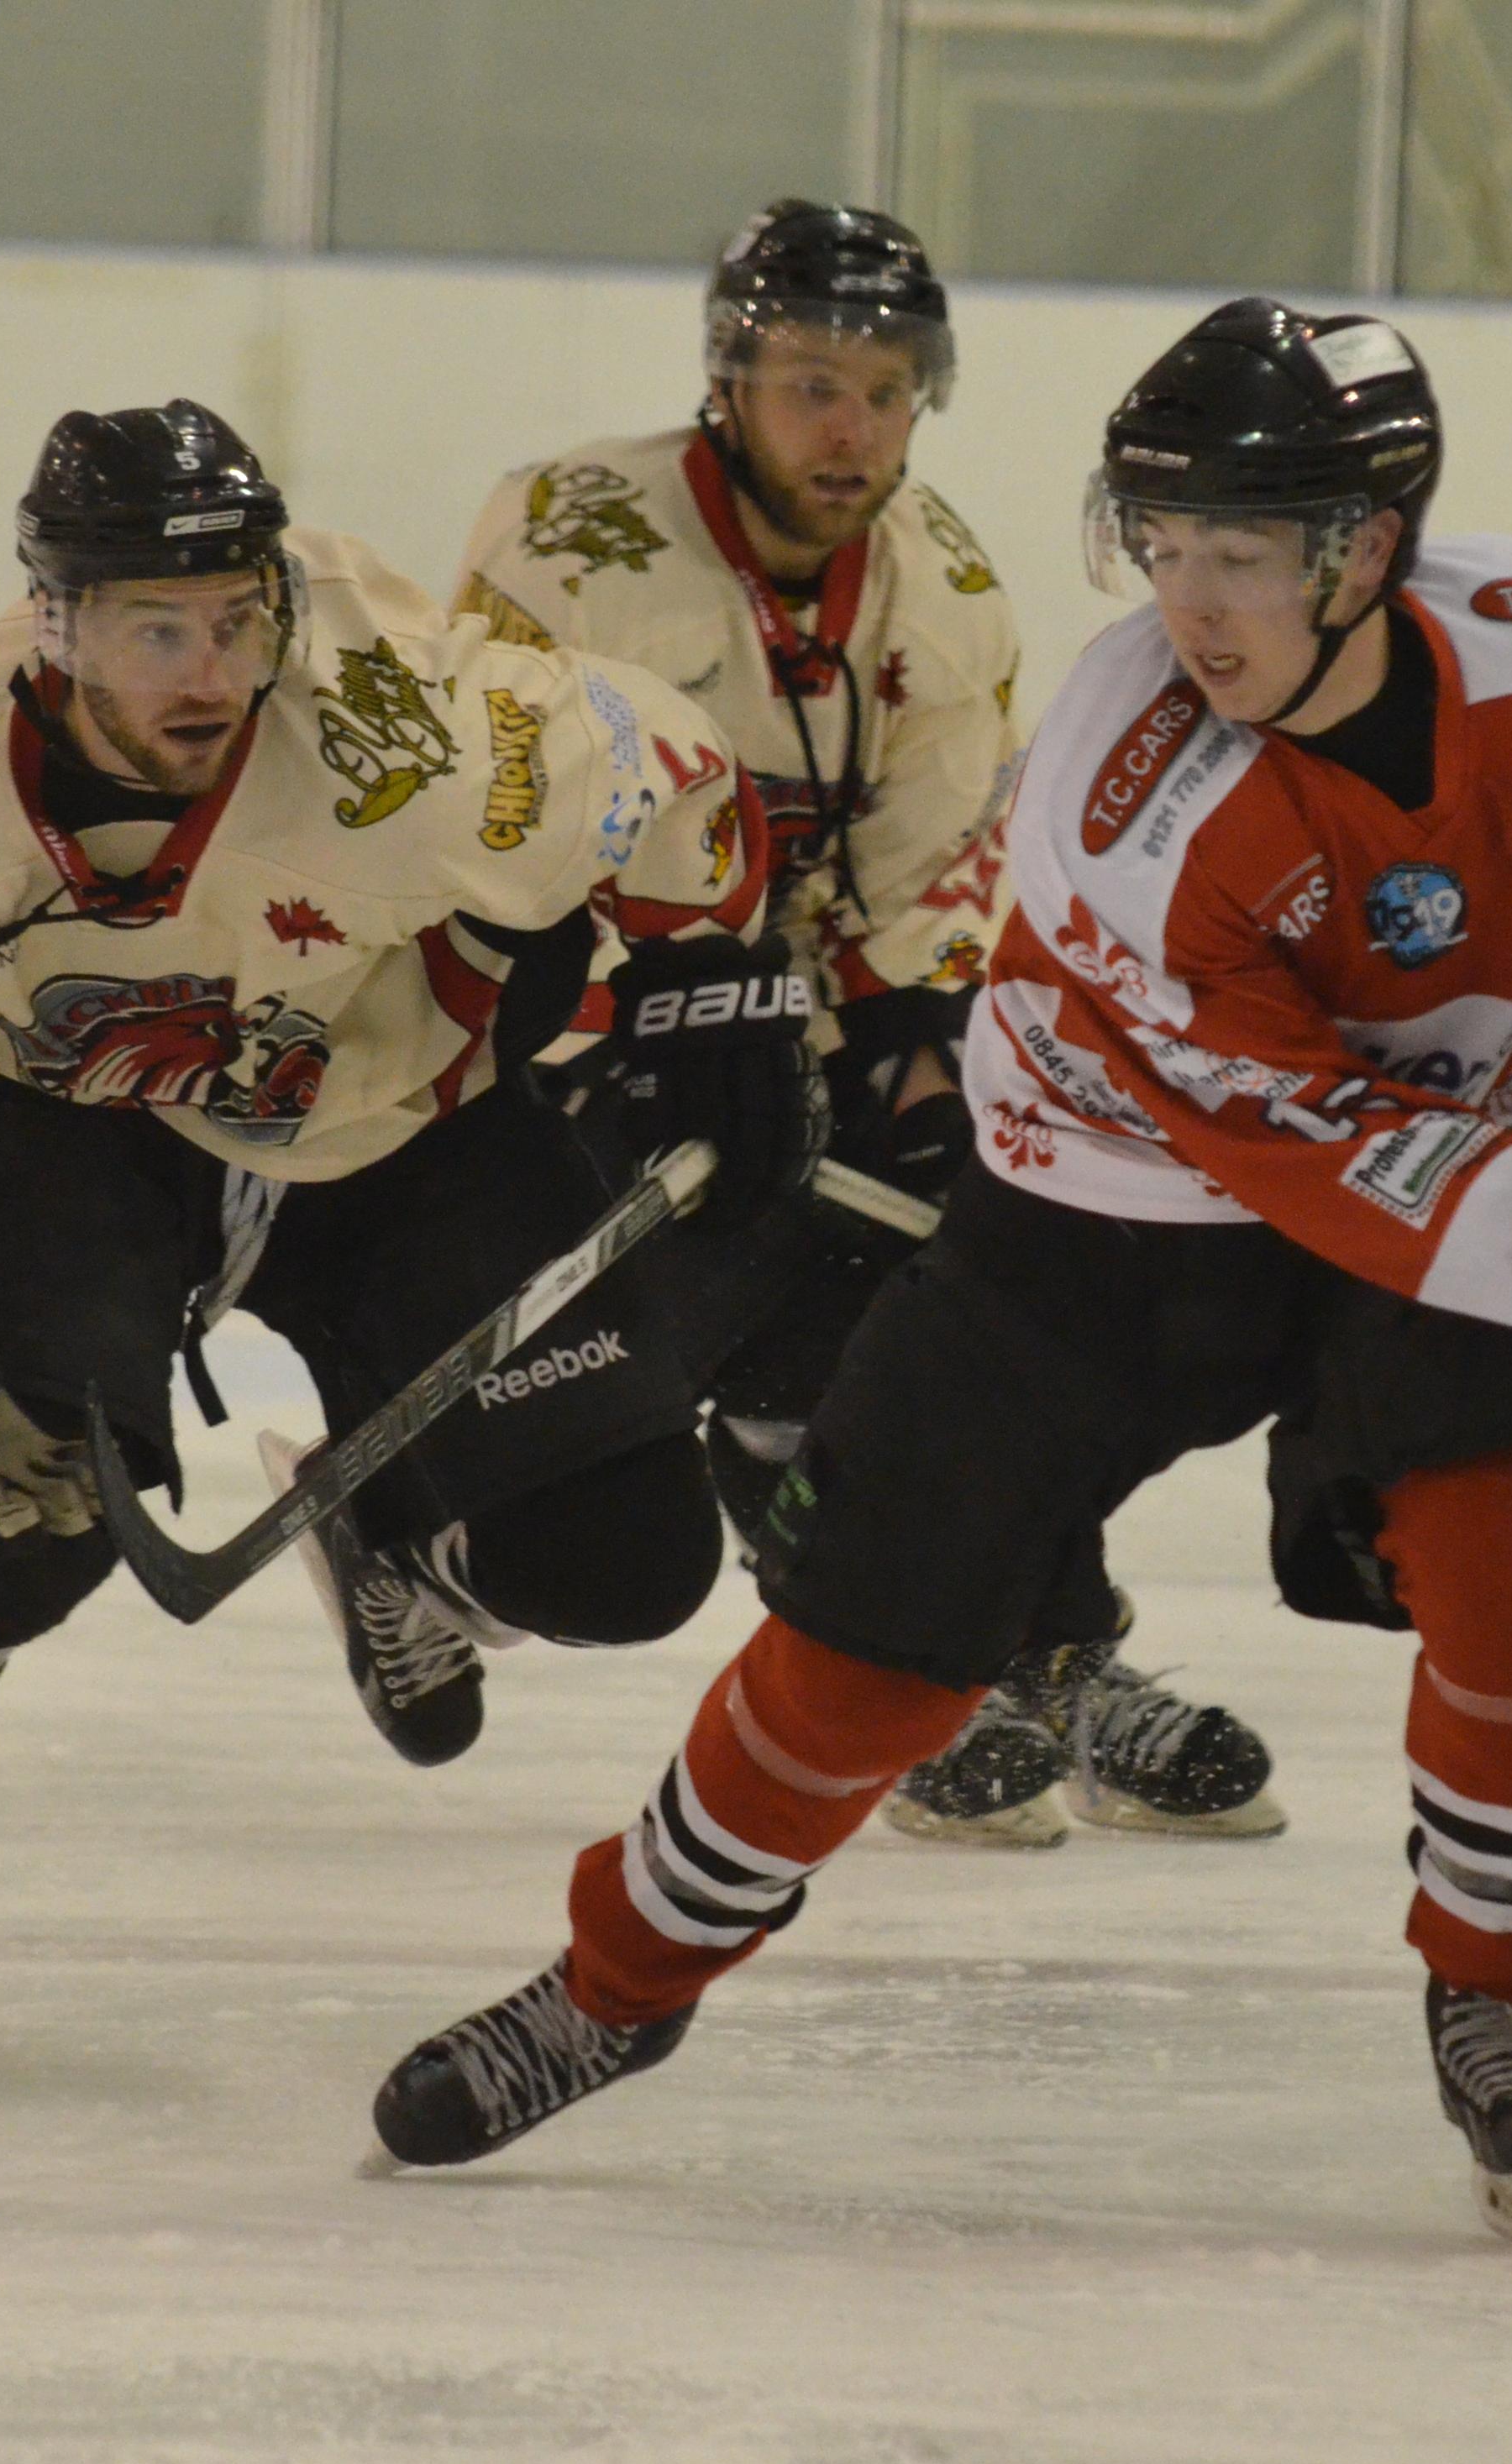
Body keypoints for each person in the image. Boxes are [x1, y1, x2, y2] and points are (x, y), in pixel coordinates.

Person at [361, 301, 1512, 2247]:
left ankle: (1502, 1996)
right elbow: (1298, 1141)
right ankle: (613, 1989)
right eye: (1158, 544)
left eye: (1239, 553)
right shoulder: (1132, 788)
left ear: (1368, 547)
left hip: (1454, 1170)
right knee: (865, 1659)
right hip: (1106, 1211)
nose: (1188, 603)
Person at [0, 400, 816, 2070]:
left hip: (404, 1120)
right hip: (91, 1134)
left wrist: (708, 974)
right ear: (55, 624)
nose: (207, 674)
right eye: (154, 630)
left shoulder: (407, 730)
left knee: (623, 1566)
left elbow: (665, 763)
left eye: (237, 621)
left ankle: (392, 1539)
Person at [448, 198, 1284, 1846]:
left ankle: (1047, 1656)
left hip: (796, 1031)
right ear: (729, 380)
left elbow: (923, 893)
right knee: (770, 1312)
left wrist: (901, 1060)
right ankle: (873, 1671)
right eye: (814, 385)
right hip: (577, 1033)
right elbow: (481, 834)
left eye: (889, 391)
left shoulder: (944, 588)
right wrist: (662, 1012)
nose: (853, 429)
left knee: (981, 1275)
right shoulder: (572, 541)